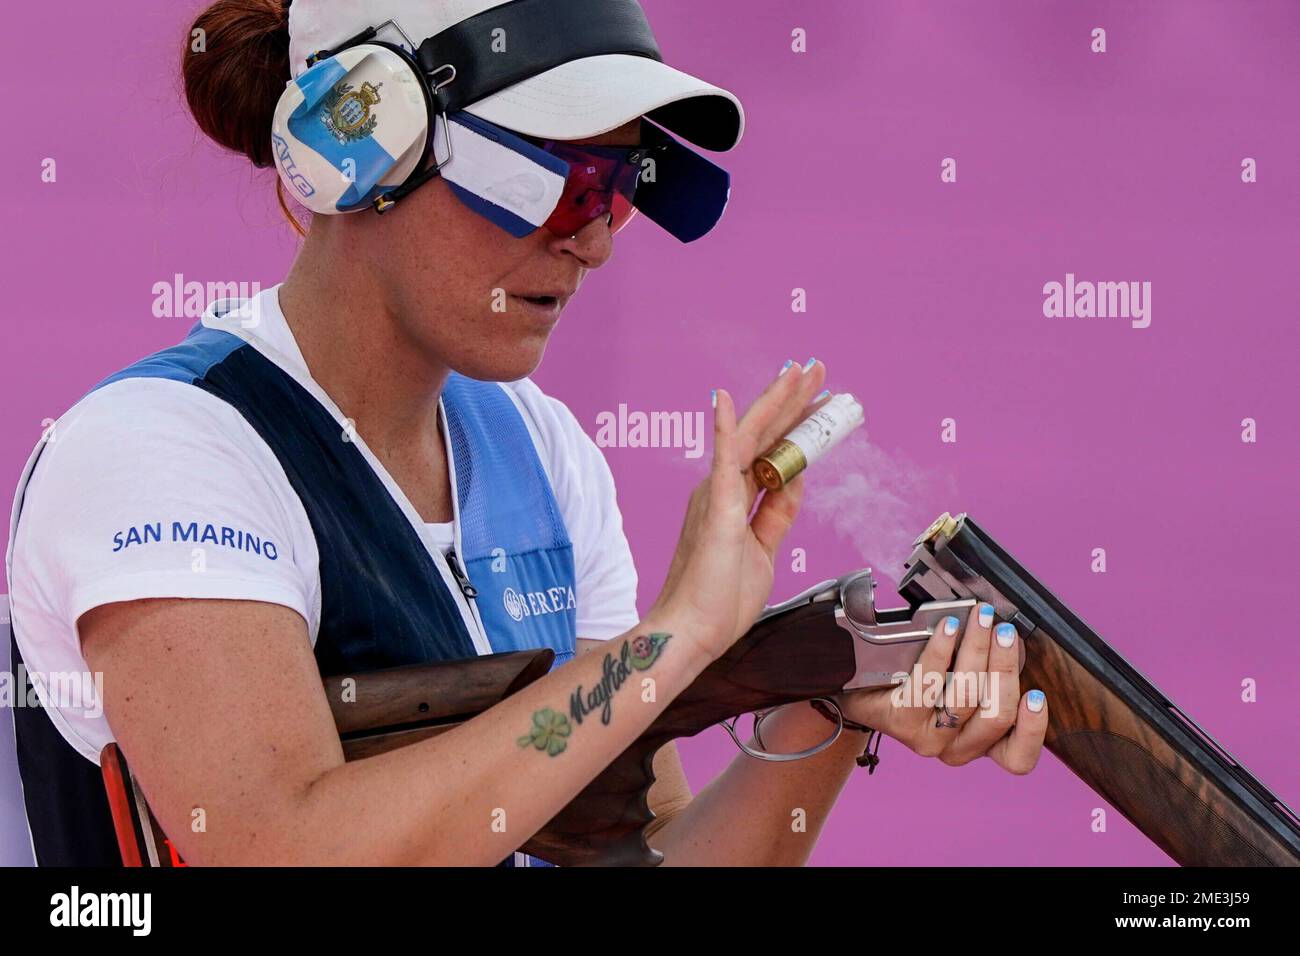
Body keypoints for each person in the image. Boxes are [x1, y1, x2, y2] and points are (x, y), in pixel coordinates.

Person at [5, 0, 1048, 867]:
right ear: (356, 144)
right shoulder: (158, 449)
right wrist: (677, 635)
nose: (593, 237)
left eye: (624, 183)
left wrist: (824, 698)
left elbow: (648, 851)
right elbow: (281, 843)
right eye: (555, 177)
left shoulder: (540, 448)